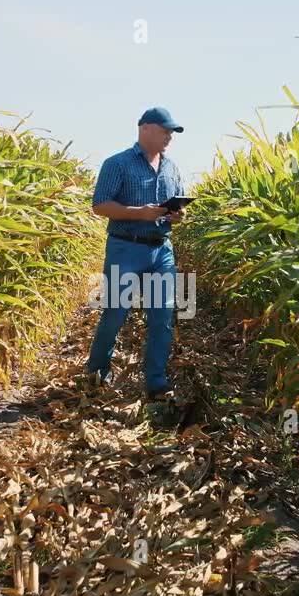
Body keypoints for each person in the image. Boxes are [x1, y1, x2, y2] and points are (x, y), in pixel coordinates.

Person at [85, 106, 186, 400]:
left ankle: (157, 383)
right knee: (115, 313)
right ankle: (97, 373)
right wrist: (137, 214)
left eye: (172, 132)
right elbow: (100, 205)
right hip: (125, 248)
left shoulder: (172, 168)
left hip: (162, 251)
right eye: (165, 130)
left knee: (162, 317)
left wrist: (177, 215)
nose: (169, 136)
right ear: (144, 128)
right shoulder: (117, 164)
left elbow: (178, 207)